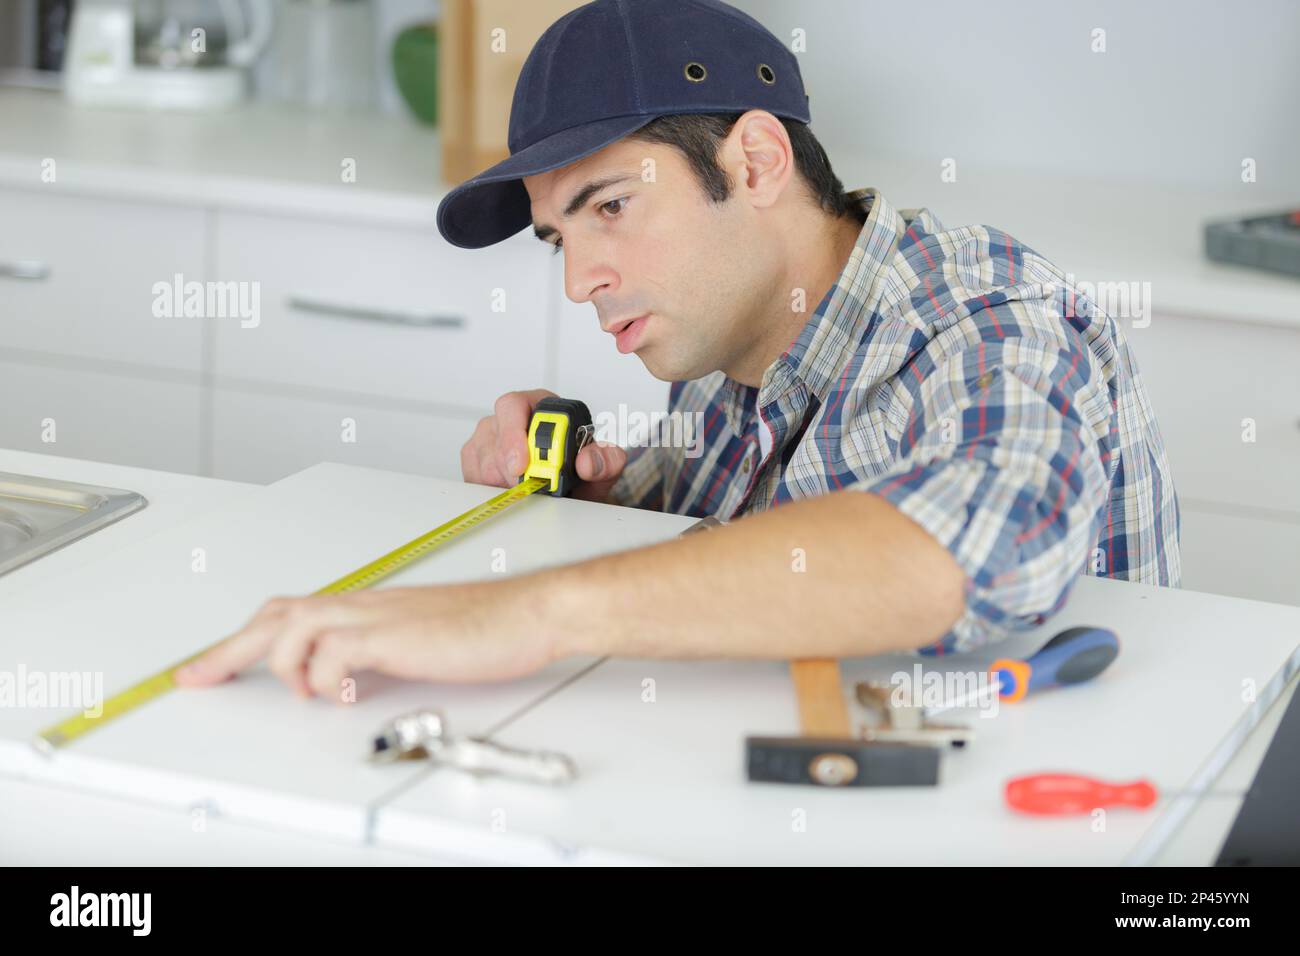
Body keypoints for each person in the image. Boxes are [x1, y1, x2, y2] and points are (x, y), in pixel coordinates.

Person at [176, 0, 1179, 701]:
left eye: (610, 206)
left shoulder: (989, 317)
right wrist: (588, 499)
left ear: (754, 161)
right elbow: (747, 551)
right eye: (559, 235)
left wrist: (525, 608)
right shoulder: (724, 347)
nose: (579, 279)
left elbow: (974, 545)